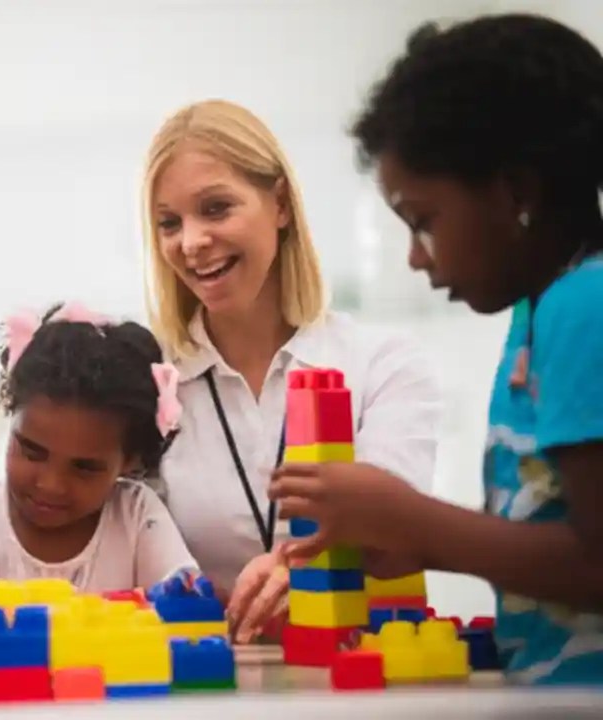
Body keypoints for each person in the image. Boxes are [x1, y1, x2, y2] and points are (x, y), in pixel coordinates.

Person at [272, 13, 603, 685]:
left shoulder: (584, 309)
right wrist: (416, 540)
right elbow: (553, 531)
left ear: (516, 192)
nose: (417, 258)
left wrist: (415, 519)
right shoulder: (540, 311)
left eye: (424, 221)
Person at [140, 99, 444, 642]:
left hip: (356, 675)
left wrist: (296, 563)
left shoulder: (382, 366)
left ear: (280, 204)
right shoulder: (150, 382)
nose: (190, 242)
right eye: (169, 222)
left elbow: (392, 523)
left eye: (215, 209)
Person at [0, 302, 200, 592]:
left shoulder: (135, 516)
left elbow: (184, 598)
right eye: (32, 451)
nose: (51, 485)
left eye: (84, 468)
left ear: (130, 461)